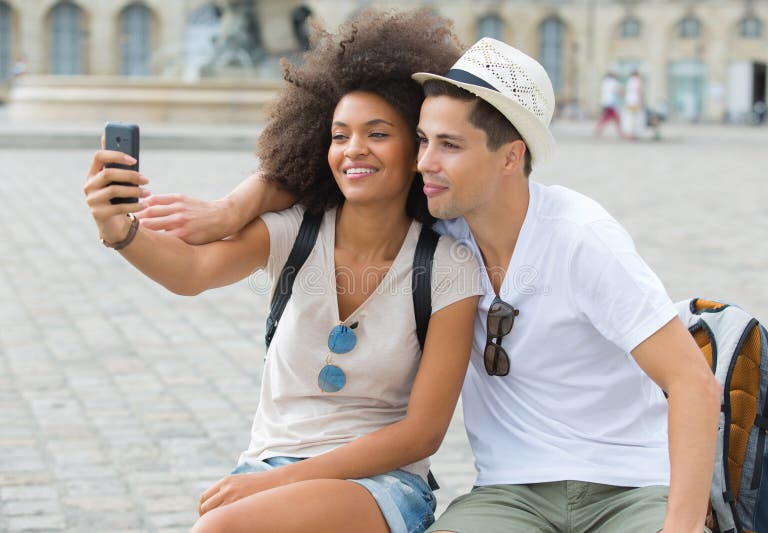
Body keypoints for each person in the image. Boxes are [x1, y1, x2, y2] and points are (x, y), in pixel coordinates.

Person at [138, 37, 721, 533]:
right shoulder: (444, 226)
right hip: (511, 494)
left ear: (510, 157)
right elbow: (337, 172)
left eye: (449, 145)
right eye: (422, 140)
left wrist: (681, 525)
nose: (423, 163)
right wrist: (228, 208)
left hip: (630, 485)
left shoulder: (582, 239)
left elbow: (692, 383)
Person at [83, 10, 481, 533]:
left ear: (417, 151)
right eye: (340, 135)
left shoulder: (447, 266)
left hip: (379, 483)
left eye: (377, 133)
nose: (354, 149)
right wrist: (120, 229)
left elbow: (421, 436)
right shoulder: (298, 232)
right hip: (267, 467)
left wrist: (272, 485)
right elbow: (194, 271)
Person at [594, 71, 623, 138]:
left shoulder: (605, 82)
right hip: (611, 103)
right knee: (615, 118)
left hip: (605, 102)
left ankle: (598, 129)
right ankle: (620, 132)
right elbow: (618, 91)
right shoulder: (614, 82)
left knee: (606, 117)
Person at [622, 69, 645, 139]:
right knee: (635, 118)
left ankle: (629, 133)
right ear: (637, 74)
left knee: (629, 118)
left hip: (629, 102)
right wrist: (642, 101)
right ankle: (633, 134)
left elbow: (625, 91)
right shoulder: (637, 81)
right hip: (635, 102)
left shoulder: (629, 81)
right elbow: (640, 91)